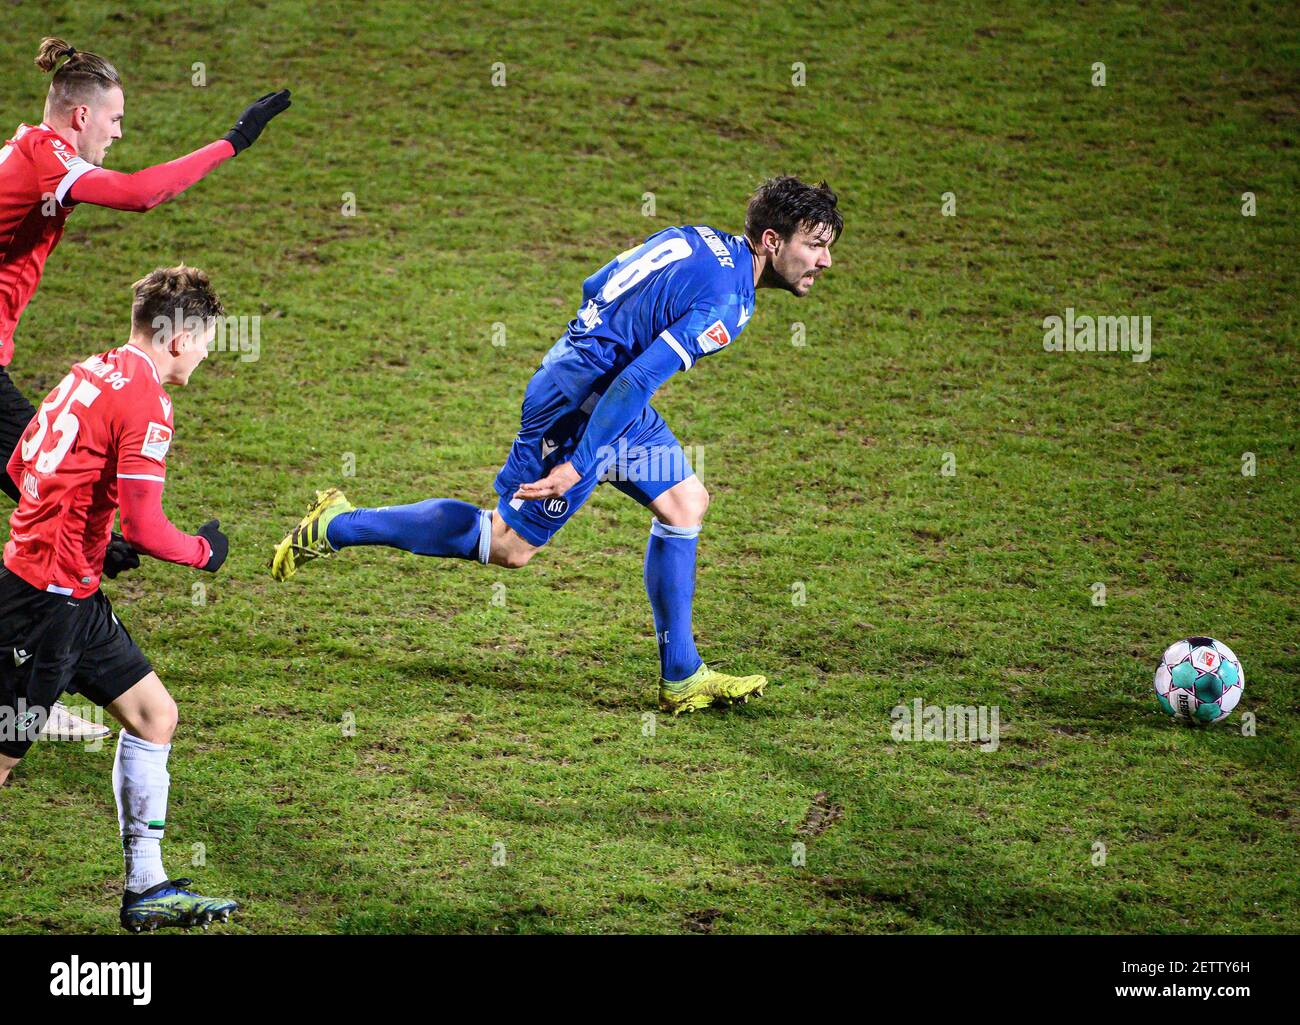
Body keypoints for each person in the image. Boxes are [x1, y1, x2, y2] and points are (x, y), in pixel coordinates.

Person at [271, 177, 841, 715]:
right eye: (814, 246)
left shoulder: (701, 239)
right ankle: (339, 525)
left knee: (685, 502)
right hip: (585, 403)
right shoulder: (730, 302)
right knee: (508, 545)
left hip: (602, 390)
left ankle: (682, 675)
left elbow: (598, 282)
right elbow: (638, 378)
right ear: (773, 240)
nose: (825, 261)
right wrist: (580, 461)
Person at [0, 37, 288, 738]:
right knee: (42, 484)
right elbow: (139, 193)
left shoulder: (26, 153)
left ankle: (33, 667)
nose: (119, 133)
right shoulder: (44, 159)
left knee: (40, 479)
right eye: (115, 119)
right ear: (80, 116)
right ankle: (31, 676)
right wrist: (234, 141)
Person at [0, 265, 238, 932]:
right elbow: (148, 526)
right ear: (178, 338)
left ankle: (146, 887)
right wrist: (204, 551)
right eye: (205, 341)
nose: (206, 354)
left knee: (155, 716)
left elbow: (20, 463)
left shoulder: (90, 370)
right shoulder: (147, 401)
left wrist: (90, 537)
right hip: (42, 609)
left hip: (71, 595)